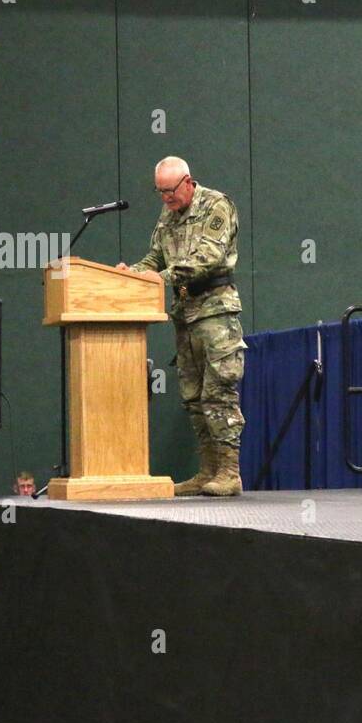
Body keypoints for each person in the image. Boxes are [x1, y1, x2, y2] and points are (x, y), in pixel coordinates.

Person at [117, 156, 245, 497]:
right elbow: (155, 258)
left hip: (215, 312)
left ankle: (230, 473)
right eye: (159, 192)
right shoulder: (168, 214)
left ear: (188, 182)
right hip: (184, 313)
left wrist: (155, 278)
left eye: (170, 191)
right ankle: (207, 471)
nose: (165, 199)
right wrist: (131, 273)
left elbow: (206, 259)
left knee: (219, 394)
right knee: (192, 397)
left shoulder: (217, 206)